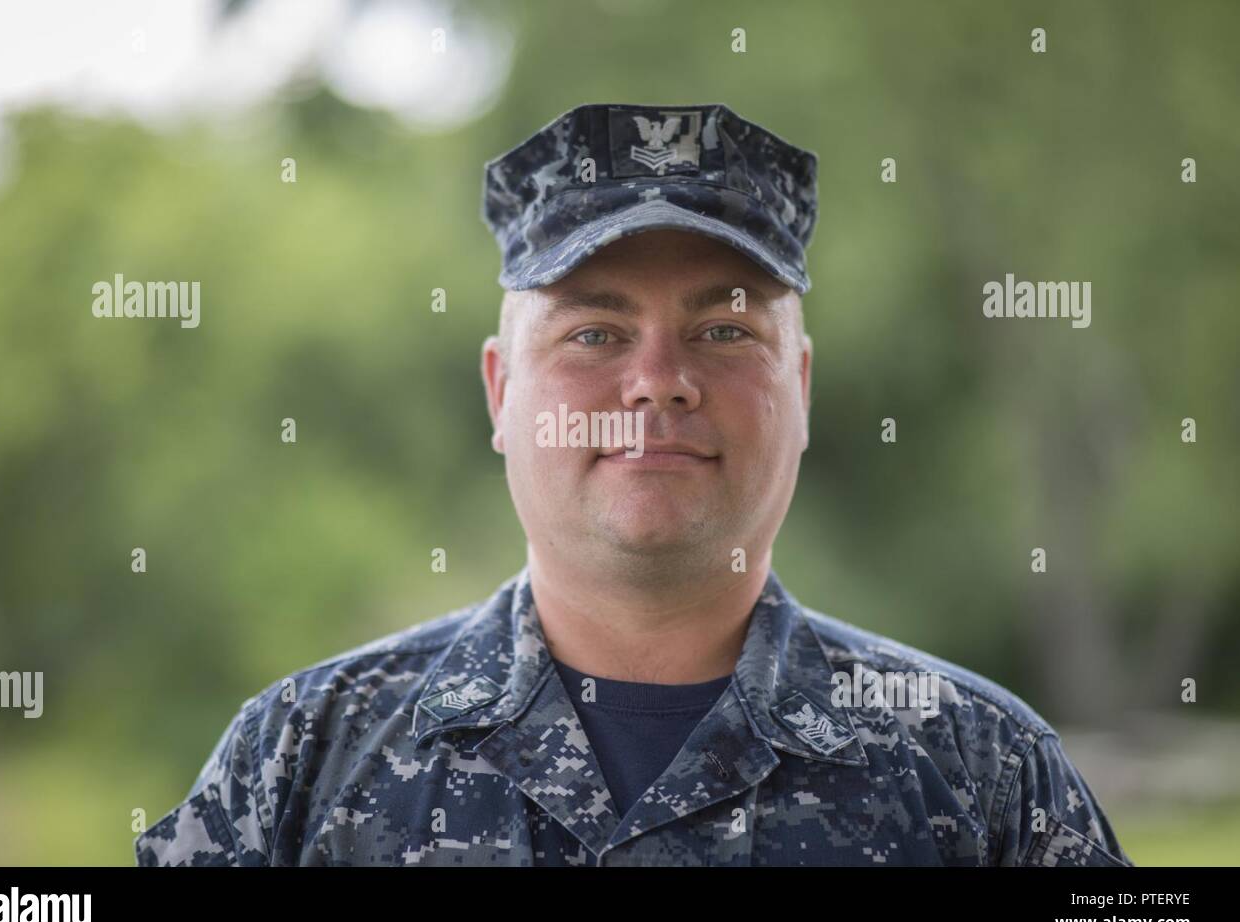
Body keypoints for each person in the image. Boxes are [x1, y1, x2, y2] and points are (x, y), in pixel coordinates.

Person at [135, 103, 1132, 866]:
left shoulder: (988, 777)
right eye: (595, 334)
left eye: (724, 331)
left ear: (802, 386)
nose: (659, 379)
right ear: (500, 388)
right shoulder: (299, 763)